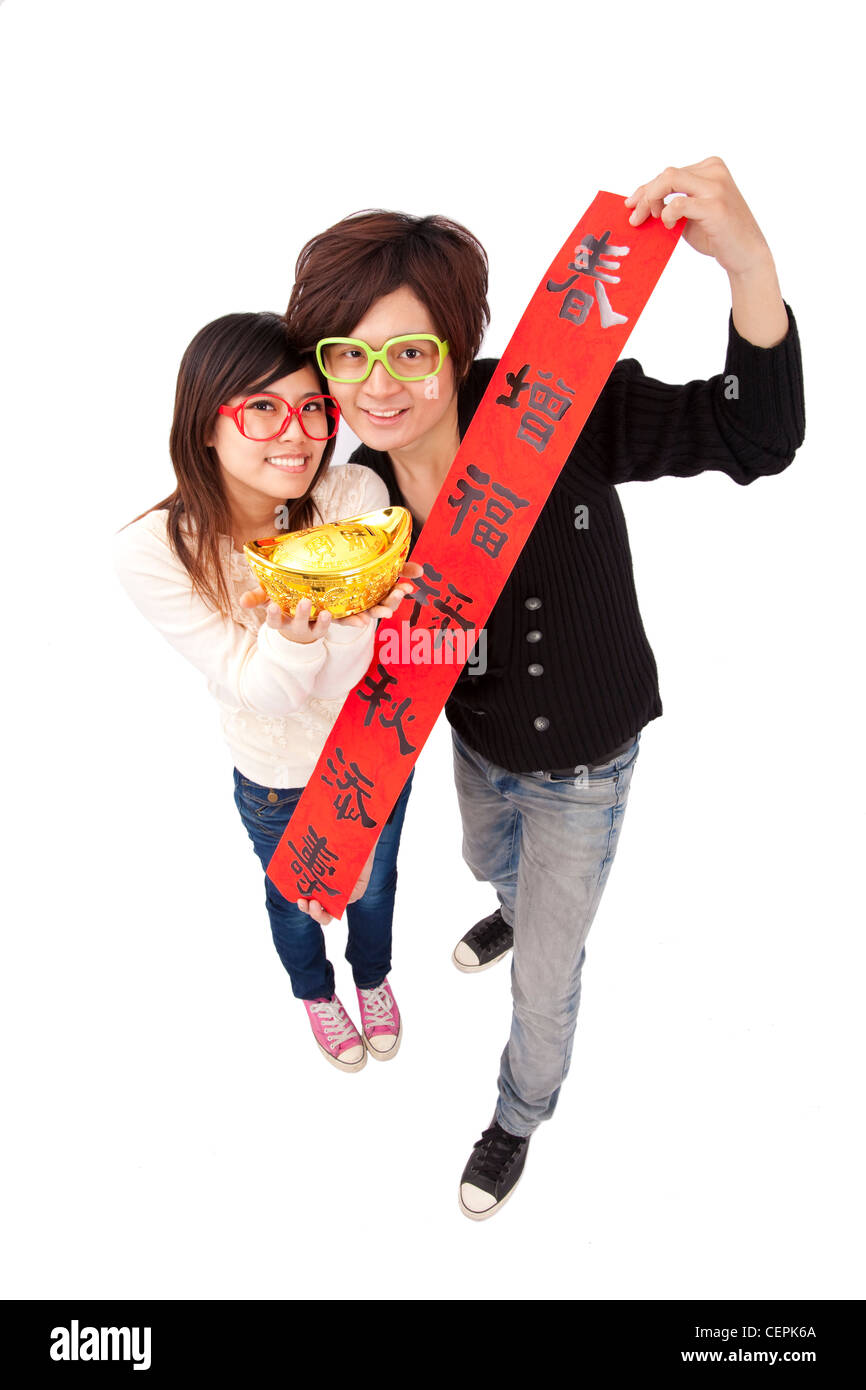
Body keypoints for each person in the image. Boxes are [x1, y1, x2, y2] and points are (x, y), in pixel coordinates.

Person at [277, 158, 806, 1218]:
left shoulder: (548, 406)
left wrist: (747, 263)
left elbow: (756, 437)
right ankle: (511, 904)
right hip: (474, 742)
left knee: (546, 978)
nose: (378, 384)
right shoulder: (344, 488)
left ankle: (518, 1115)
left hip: (588, 756)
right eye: (349, 357)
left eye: (410, 352)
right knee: (485, 859)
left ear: (459, 342)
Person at [113, 312, 421, 1073]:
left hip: (374, 750)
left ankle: (374, 977)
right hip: (276, 774)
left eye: (314, 406)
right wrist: (305, 629)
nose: (300, 431)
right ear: (205, 424)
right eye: (263, 407)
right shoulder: (154, 551)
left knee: (374, 889)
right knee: (294, 901)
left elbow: (350, 676)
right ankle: (316, 992)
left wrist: (336, 626)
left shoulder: (352, 491)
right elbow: (263, 693)